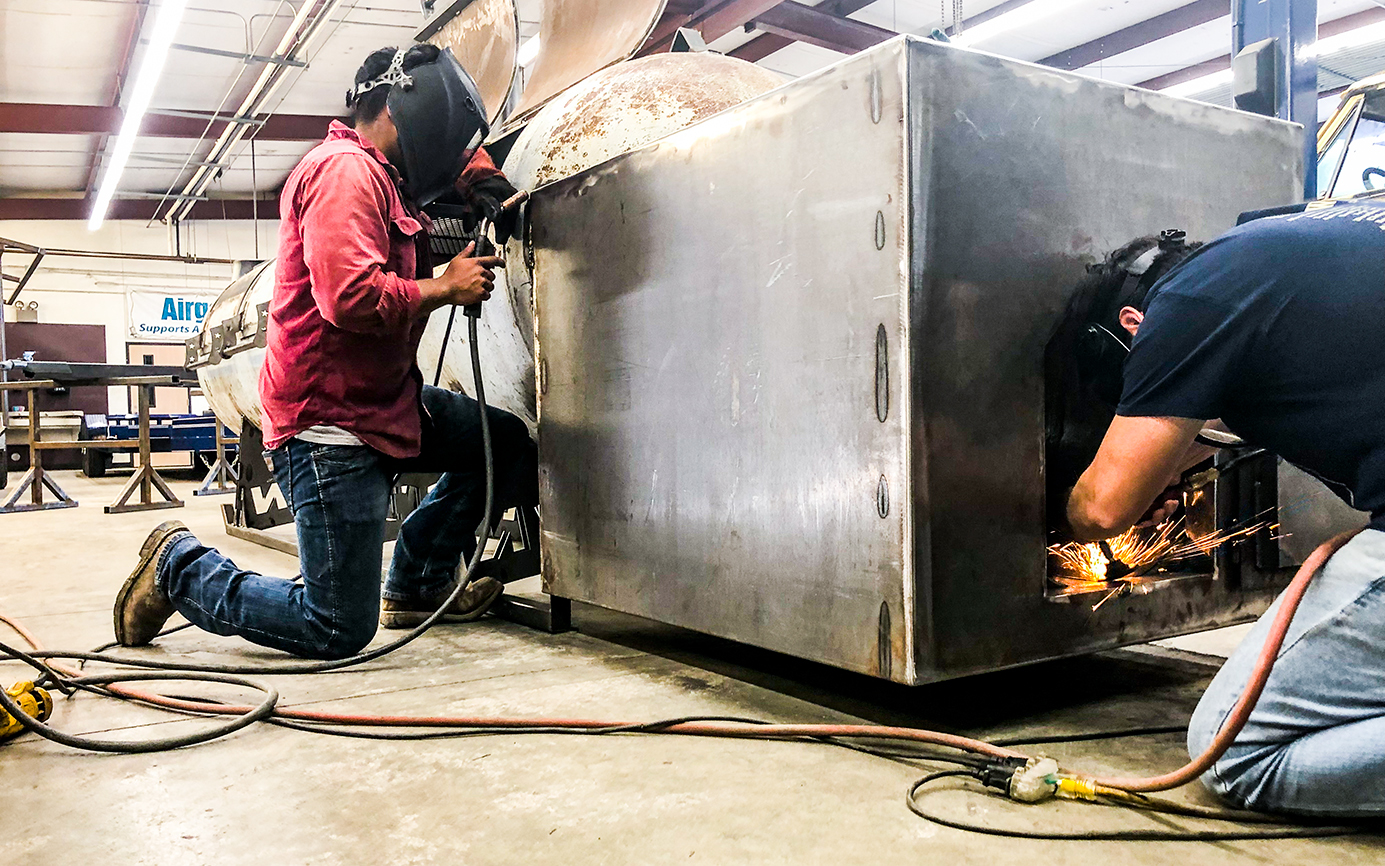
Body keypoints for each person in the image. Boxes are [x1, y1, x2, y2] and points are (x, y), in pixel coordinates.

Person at [113, 44, 537, 660]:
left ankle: (417, 585)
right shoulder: (345, 173)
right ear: (396, 112)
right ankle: (180, 567)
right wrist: (445, 285)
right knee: (334, 626)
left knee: (501, 445)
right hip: (330, 426)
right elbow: (349, 298)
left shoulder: (387, 174)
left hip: (386, 403)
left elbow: (456, 157)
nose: (445, 152)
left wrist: (481, 177)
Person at [1062, 204, 1385, 817]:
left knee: (1233, 750)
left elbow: (1104, 509)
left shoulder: (1190, 299)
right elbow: (1235, 411)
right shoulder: (1297, 249)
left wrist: (1066, 511)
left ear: (1133, 324)